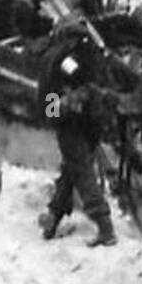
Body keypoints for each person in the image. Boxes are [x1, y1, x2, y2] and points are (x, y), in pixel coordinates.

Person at [36, 22, 117, 246]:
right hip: (93, 122)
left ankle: (105, 227)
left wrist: (52, 115)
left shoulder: (57, 58)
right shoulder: (95, 56)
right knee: (72, 169)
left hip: (71, 123)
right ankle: (53, 216)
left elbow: (48, 91)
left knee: (81, 171)